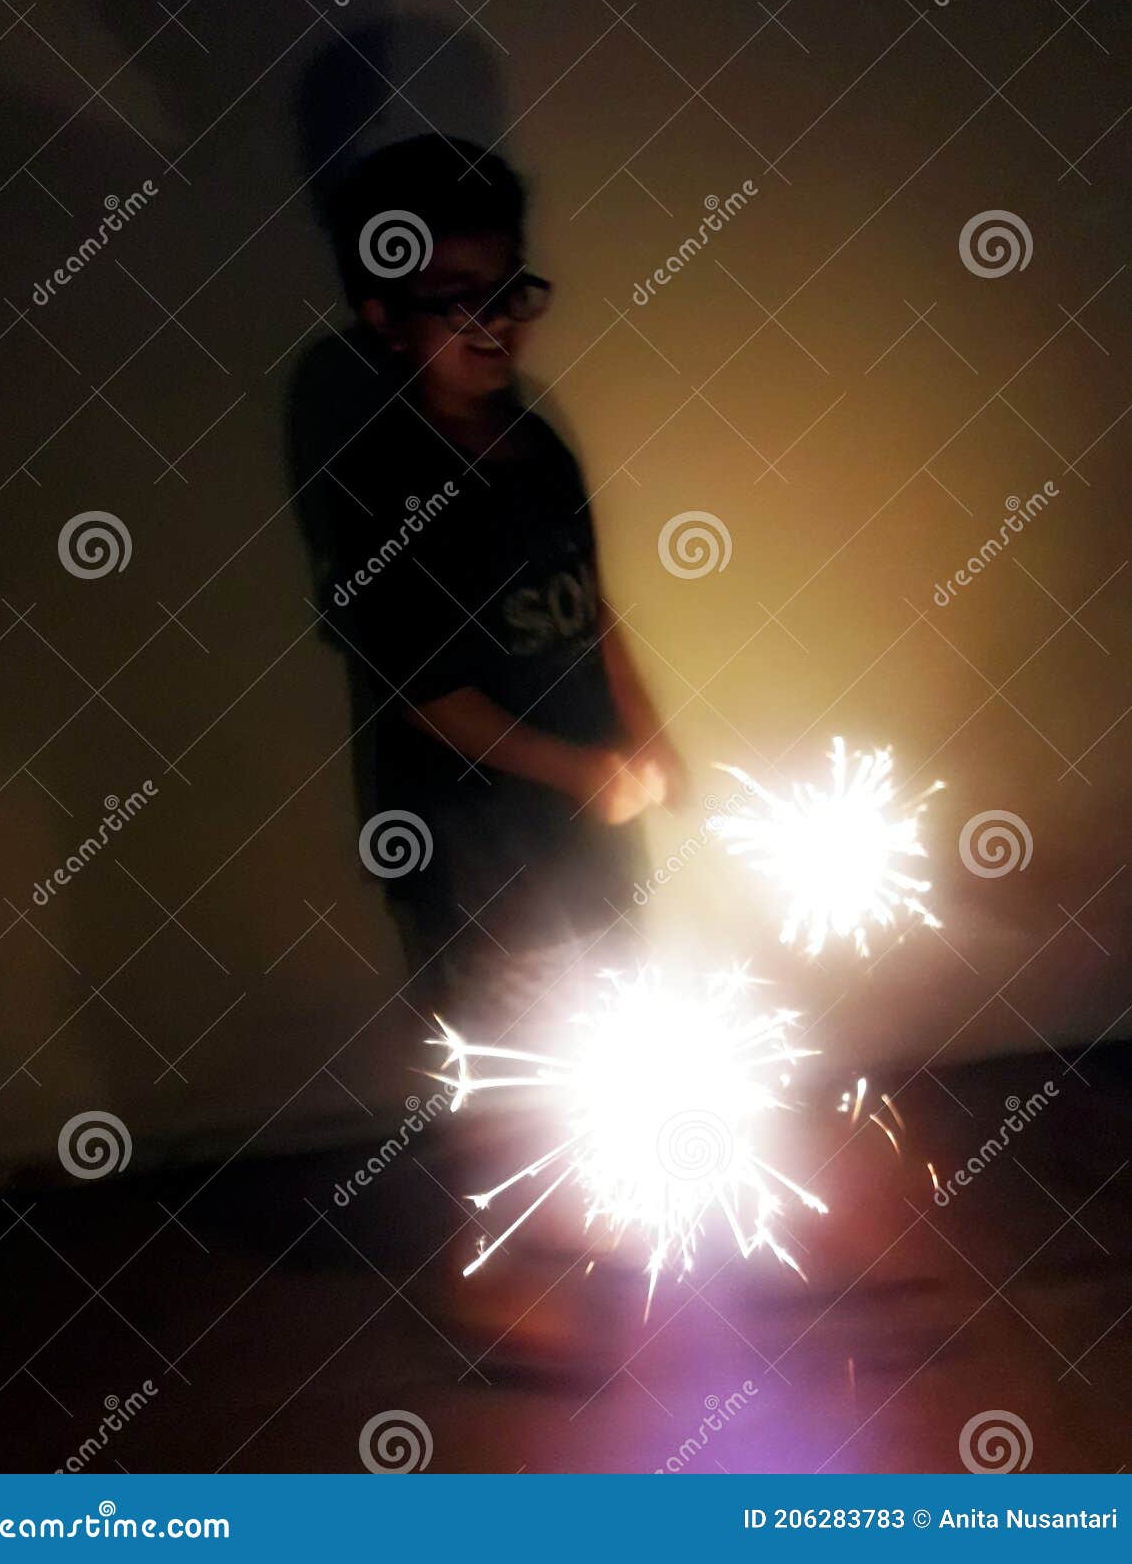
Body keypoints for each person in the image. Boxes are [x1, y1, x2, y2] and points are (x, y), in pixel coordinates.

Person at [289, 134, 690, 1365]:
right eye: (452, 302)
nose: (494, 325)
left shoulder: (536, 443)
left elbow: (593, 601)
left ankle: (593, 1215)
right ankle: (495, 1275)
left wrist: (648, 728)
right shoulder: (380, 477)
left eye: (508, 291)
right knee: (501, 1049)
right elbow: (424, 693)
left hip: (583, 827)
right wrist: (583, 771)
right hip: (465, 830)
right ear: (382, 313)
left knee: (602, 1015)